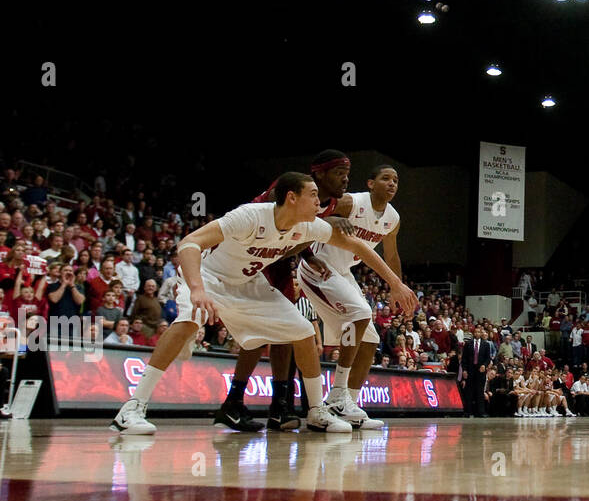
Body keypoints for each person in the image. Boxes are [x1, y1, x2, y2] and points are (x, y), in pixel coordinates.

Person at [109, 172, 416, 435]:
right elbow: (188, 243)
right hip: (208, 276)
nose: (318, 203)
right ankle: (131, 410)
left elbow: (355, 245)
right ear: (292, 198)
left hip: (248, 285)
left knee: (303, 332)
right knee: (189, 320)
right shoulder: (249, 216)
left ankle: (317, 412)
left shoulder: (308, 226)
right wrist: (198, 289)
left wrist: (396, 283)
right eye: (312, 196)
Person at [215, 150, 359, 433]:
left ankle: (279, 406)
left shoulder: (328, 204)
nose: (345, 180)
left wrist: (309, 255)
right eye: (339, 173)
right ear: (318, 173)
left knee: (287, 333)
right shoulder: (291, 186)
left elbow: (296, 236)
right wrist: (322, 227)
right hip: (252, 256)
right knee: (256, 334)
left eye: (347, 174)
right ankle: (234, 402)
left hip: (278, 261)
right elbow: (277, 224)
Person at [296, 164, 408, 430]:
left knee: (371, 339)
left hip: (343, 273)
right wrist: (331, 220)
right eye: (385, 178)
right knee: (360, 313)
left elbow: (391, 256)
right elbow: (307, 219)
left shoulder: (393, 218)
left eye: (395, 180)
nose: (392, 183)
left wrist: (397, 287)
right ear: (371, 183)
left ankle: (348, 403)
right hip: (318, 267)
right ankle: (336, 394)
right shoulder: (349, 202)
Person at [460, 326, 492, 417]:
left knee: (480, 391)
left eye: (479, 332)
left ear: (481, 333)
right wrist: (464, 370)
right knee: (469, 392)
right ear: (474, 333)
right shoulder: (468, 344)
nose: (477, 333)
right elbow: (464, 359)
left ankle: (480, 412)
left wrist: (484, 365)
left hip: (480, 371)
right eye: (476, 332)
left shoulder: (486, 344)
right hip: (470, 370)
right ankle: (468, 412)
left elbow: (488, 358)